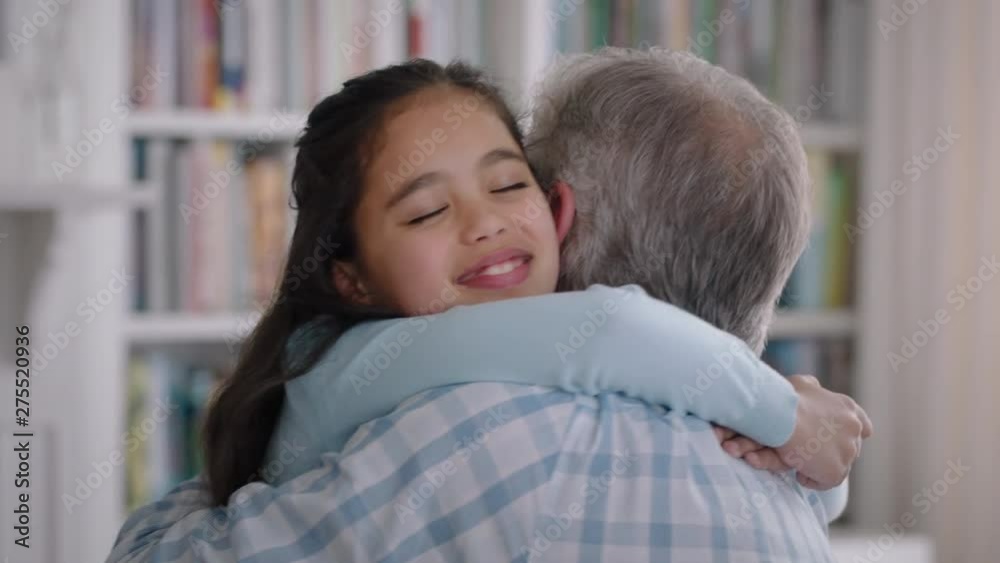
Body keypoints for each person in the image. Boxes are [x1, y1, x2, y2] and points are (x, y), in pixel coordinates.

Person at [107, 49, 870, 562]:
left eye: (509, 184)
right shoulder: (772, 484)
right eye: (424, 211)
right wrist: (798, 427)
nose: (484, 222)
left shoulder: (485, 426)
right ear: (351, 276)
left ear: (556, 210)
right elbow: (614, 328)